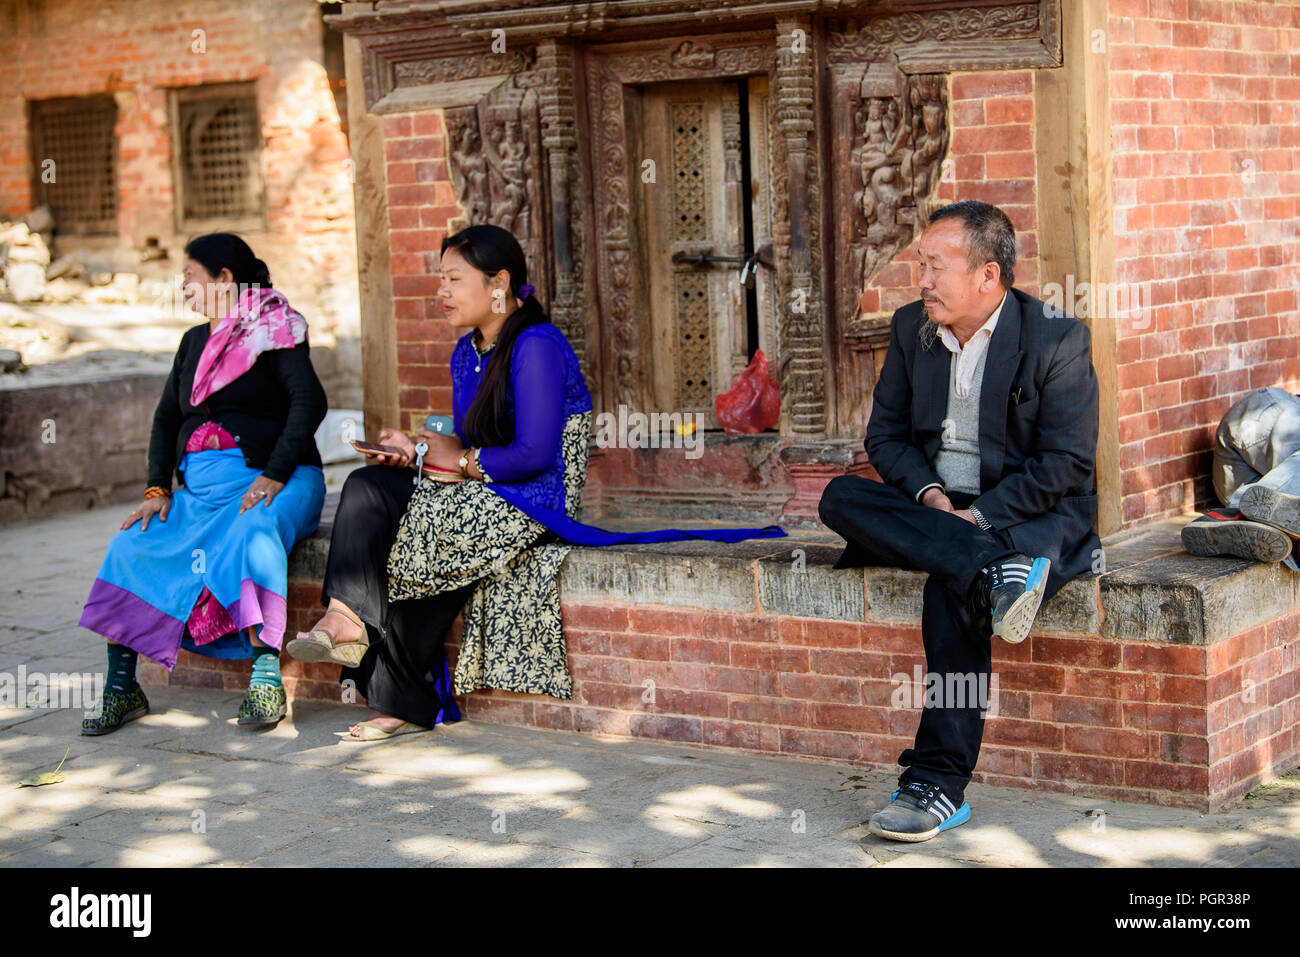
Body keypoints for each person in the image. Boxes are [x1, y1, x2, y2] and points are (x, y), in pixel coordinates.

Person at [290, 224, 784, 742]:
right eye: (442, 280)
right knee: (369, 487)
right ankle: (347, 618)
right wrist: (414, 450)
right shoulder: (466, 352)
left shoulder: (537, 345)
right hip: (482, 486)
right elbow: (466, 438)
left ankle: (390, 683)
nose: (442, 292)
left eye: (454, 279)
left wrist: (456, 463)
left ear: (498, 281)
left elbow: (534, 453)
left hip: (533, 498)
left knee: (418, 531)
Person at [818, 200, 1101, 842]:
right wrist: (932, 496)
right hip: (943, 514)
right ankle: (990, 573)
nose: (920, 280)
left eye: (934, 267)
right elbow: (885, 440)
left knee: (951, 587)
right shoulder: (910, 329)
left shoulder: (1056, 337)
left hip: (1027, 516)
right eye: (921, 264)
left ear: (988, 276)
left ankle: (937, 785)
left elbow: (1066, 464)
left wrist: (979, 514)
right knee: (840, 496)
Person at [79, 234, 327, 734]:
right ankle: (123, 688)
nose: (184, 288)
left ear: (224, 279)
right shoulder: (193, 342)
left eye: (191, 277)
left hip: (279, 479)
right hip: (202, 494)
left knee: (254, 533)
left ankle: (264, 679)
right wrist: (157, 489)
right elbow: (166, 419)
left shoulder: (274, 328)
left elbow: (310, 403)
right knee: (133, 543)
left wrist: (274, 473)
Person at [1180, 387, 1300, 568]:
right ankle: (1238, 514)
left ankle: (1223, 522)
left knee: (1281, 535)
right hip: (1269, 418)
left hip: (1247, 480)